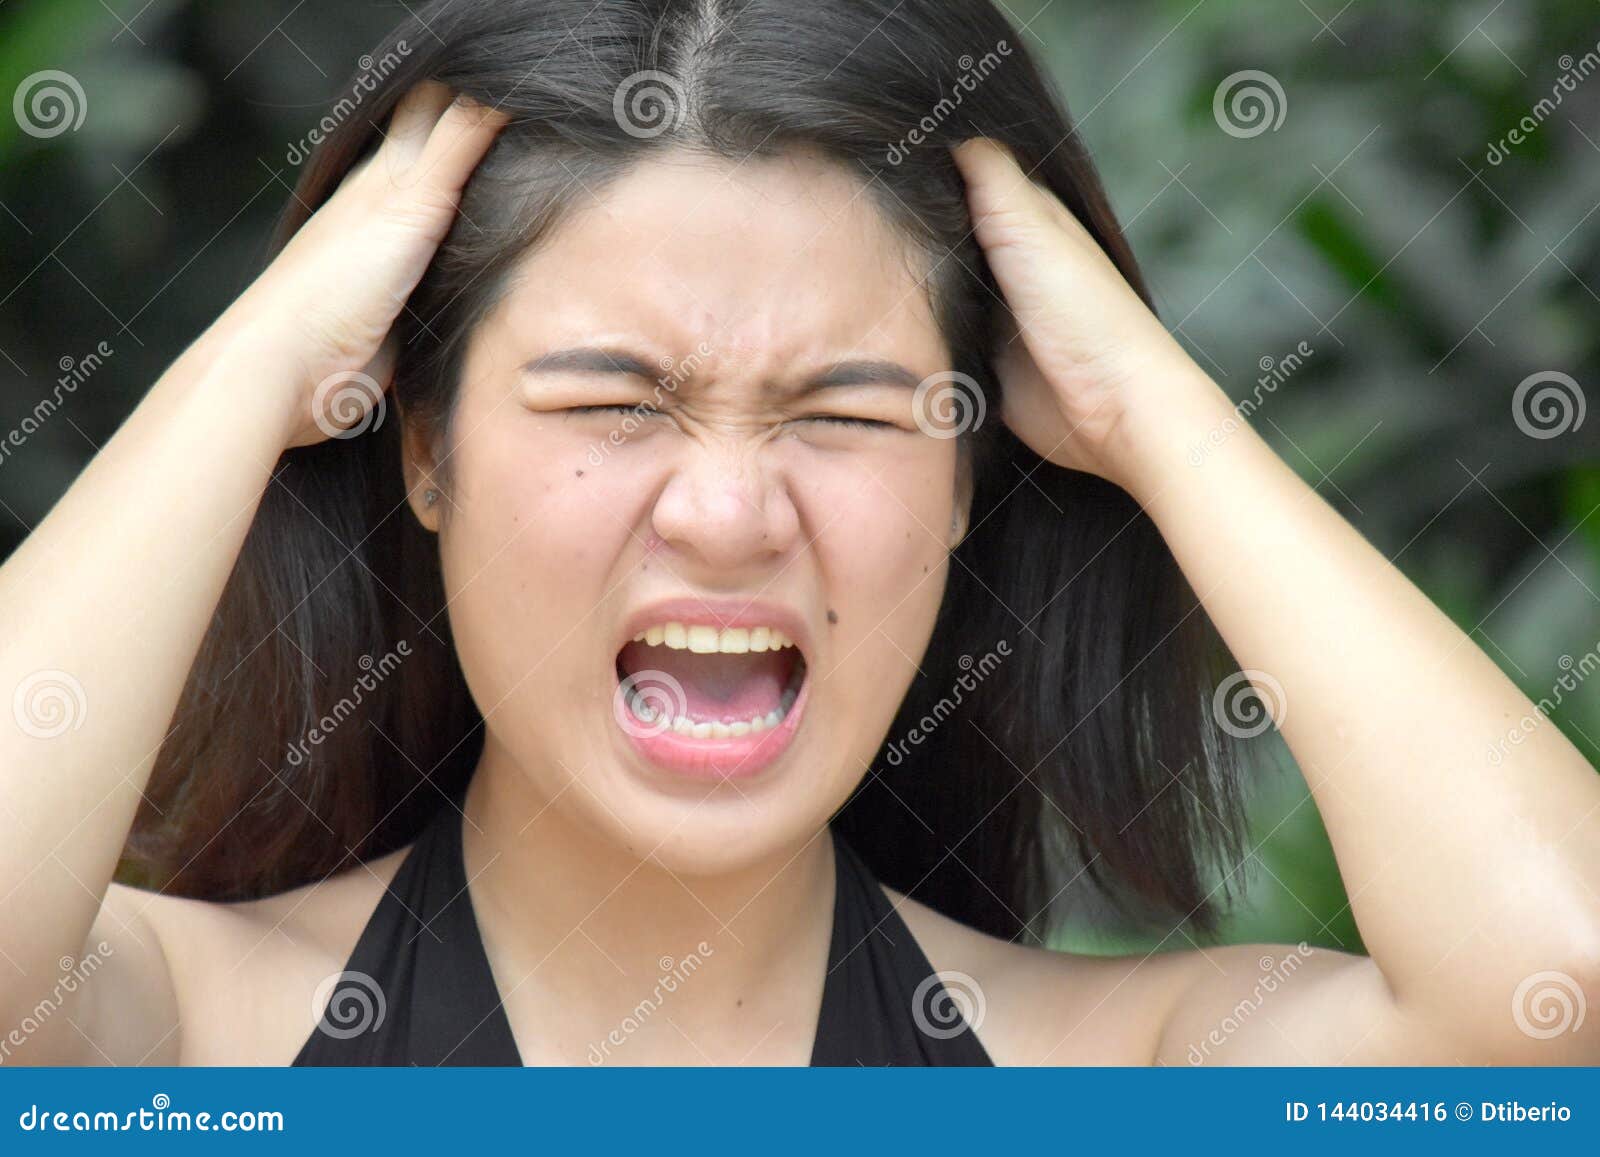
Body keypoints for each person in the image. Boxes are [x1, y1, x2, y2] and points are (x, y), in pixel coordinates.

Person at [1, 0, 1595, 1066]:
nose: (726, 511)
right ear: (423, 449)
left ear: (977, 468)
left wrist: (1149, 409)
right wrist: (257, 363)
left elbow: (1559, 989)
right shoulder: (194, 1042)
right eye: (614, 403)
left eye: (846, 412)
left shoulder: (1108, 1074)